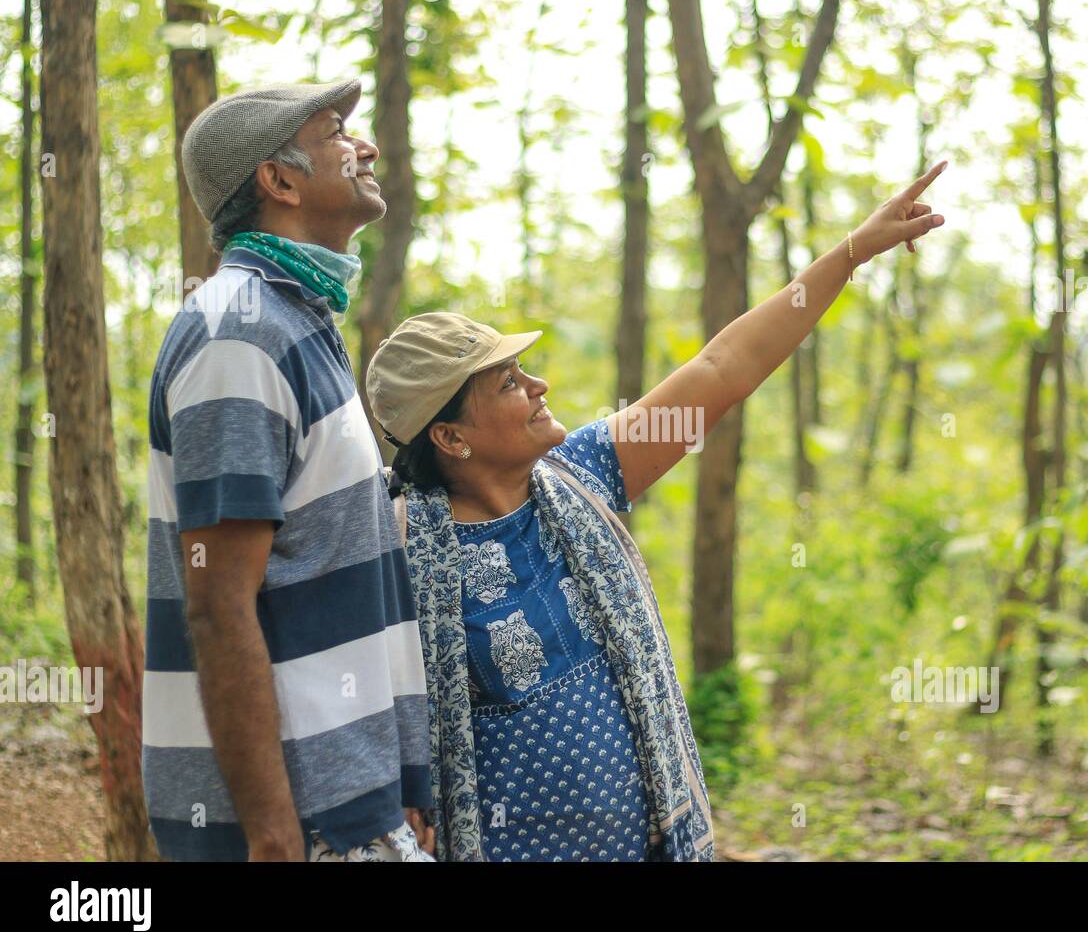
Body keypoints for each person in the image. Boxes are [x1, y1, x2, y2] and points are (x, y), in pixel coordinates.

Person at [366, 162, 948, 861]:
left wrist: (852, 252)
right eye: (509, 383)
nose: (539, 384)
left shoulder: (583, 477)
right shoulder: (396, 554)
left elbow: (722, 369)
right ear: (451, 437)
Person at [144, 79, 434, 861]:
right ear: (278, 181)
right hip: (301, 824)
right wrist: (274, 837)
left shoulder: (296, 319)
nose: (366, 147)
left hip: (349, 802)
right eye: (338, 133)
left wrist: (403, 778)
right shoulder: (236, 335)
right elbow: (218, 605)